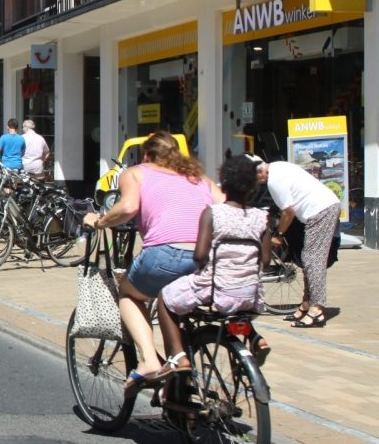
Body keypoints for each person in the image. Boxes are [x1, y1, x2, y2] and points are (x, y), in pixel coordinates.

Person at [82, 131, 224, 389]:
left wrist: (100, 221)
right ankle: (177, 378)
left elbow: (127, 207)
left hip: (165, 253)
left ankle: (148, 360)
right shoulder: (199, 177)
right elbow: (224, 205)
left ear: (146, 155)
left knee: (128, 293)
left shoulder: (135, 173)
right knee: (171, 302)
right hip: (206, 257)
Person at [155, 155, 273, 380]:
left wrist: (205, 263)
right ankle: (256, 339)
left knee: (165, 298)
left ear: (223, 184)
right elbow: (265, 261)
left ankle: (178, 356)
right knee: (233, 303)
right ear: (252, 188)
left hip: (216, 289)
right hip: (250, 293)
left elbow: (200, 255)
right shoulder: (262, 217)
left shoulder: (213, 213)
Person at [250, 154, 341, 328]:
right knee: (308, 258)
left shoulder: (274, 180)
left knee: (313, 259)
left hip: (321, 210)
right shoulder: (278, 166)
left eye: (254, 178)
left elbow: (288, 212)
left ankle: (317, 309)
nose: (256, 182)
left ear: (260, 171)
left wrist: (279, 233)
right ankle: (306, 304)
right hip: (320, 208)